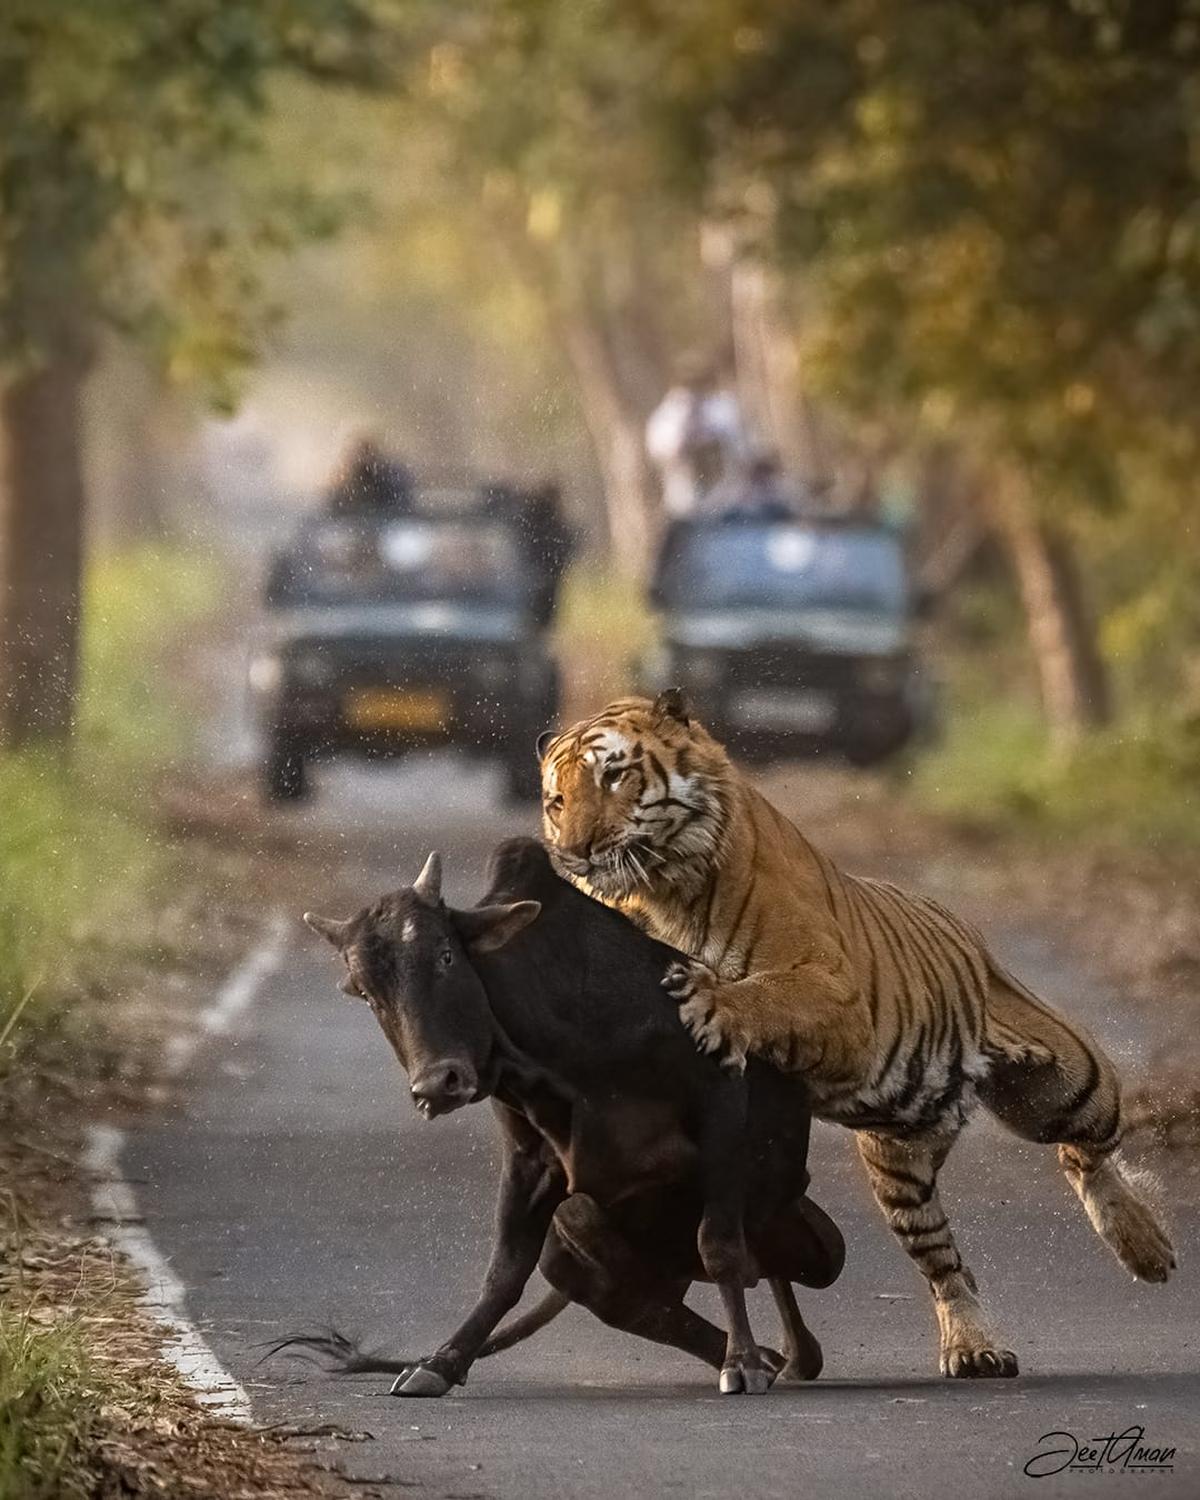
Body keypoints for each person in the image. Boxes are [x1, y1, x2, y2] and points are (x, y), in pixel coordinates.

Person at [645, 359, 745, 518]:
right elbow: (662, 452)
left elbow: (737, 444)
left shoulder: (719, 408)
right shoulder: (666, 418)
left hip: (728, 498)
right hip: (685, 499)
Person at [323, 434, 414, 518]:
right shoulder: (346, 483)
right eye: (359, 455)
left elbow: (399, 505)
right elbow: (335, 508)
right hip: (359, 522)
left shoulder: (386, 479)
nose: (363, 460)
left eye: (366, 454)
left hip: (381, 520)